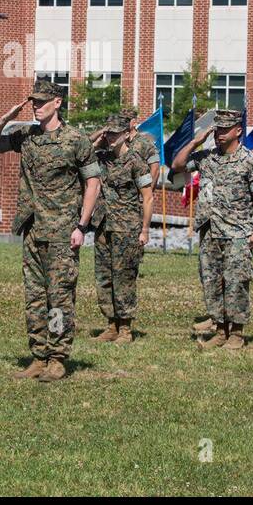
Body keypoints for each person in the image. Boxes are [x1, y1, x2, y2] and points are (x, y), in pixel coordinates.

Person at [0, 79, 101, 382]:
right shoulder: (27, 136)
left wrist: (82, 226)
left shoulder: (75, 139)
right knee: (34, 297)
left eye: (42, 101)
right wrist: (5, 119)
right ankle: (38, 356)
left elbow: (93, 183)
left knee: (59, 298)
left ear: (57, 103)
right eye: (33, 101)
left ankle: (57, 358)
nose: (36, 106)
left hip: (62, 232)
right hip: (33, 230)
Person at [172, 109, 253, 350]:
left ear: (238, 131)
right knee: (211, 282)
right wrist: (195, 142)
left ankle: (237, 333)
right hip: (210, 230)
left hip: (237, 232)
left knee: (236, 282)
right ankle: (221, 330)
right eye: (217, 129)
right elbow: (177, 164)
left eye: (225, 129)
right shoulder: (206, 158)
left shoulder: (250, 161)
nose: (219, 134)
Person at [89, 116, 153, 343]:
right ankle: (111, 325)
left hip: (127, 228)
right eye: (109, 133)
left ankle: (125, 328)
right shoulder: (101, 158)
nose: (111, 137)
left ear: (126, 134)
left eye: (116, 133)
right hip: (103, 226)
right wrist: (99, 137)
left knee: (124, 277)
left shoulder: (136, 161)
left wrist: (145, 229)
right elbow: (82, 152)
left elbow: (148, 197)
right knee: (104, 277)